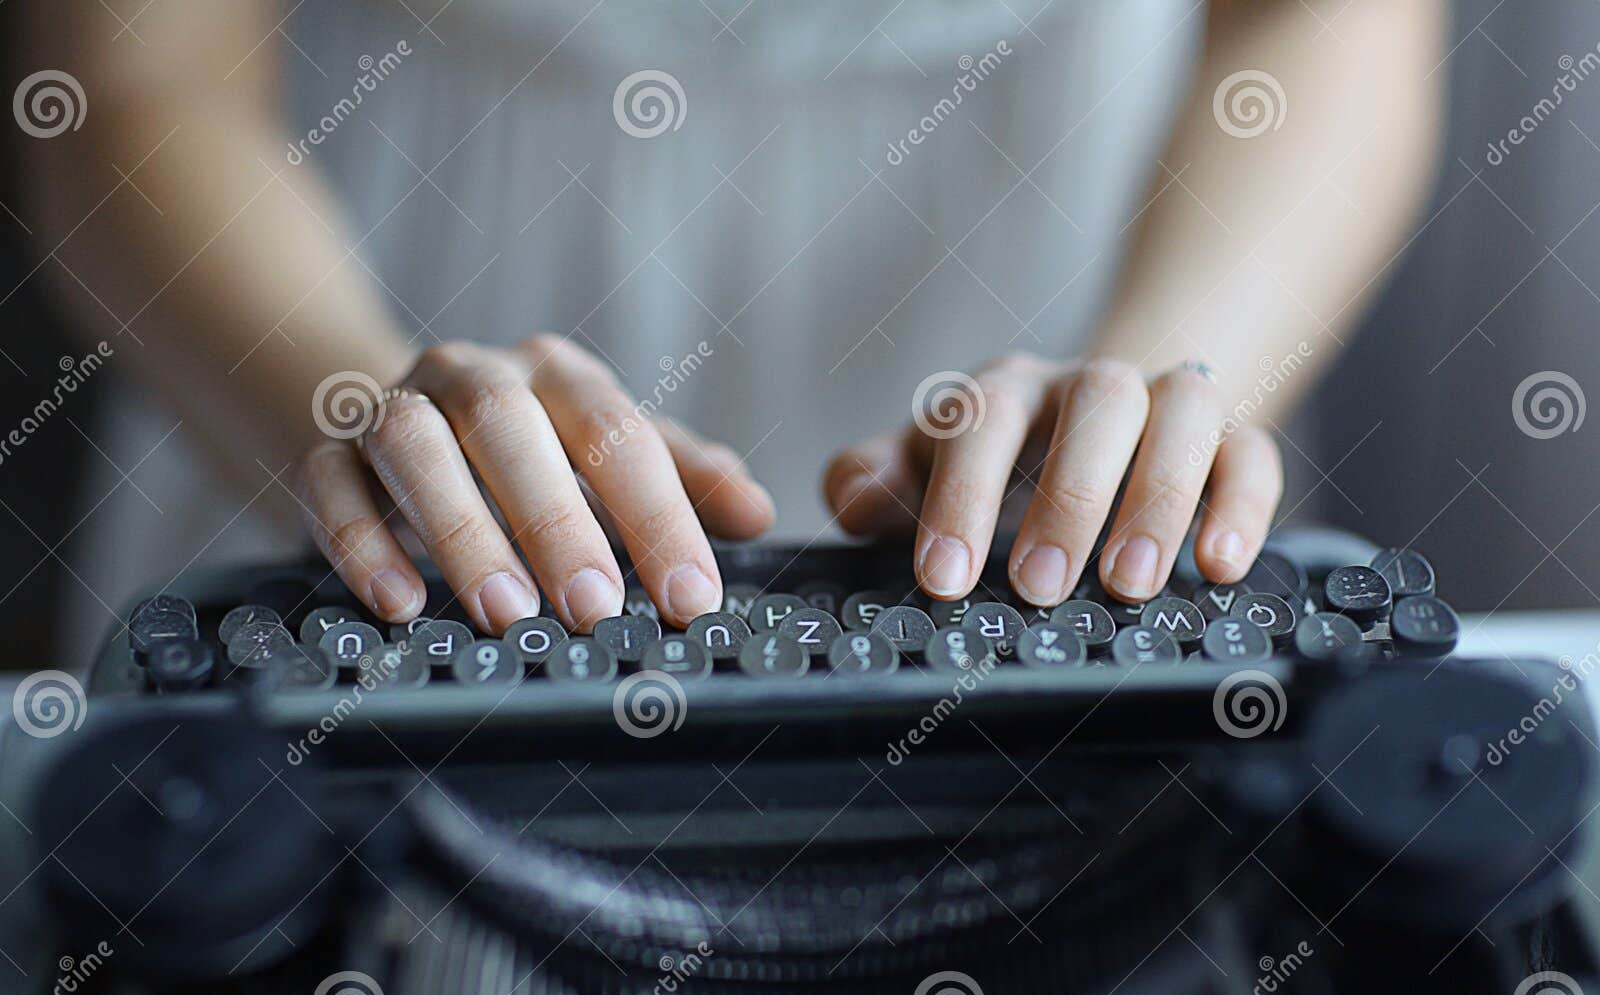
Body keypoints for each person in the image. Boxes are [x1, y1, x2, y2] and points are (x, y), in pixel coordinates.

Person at [21, 0, 1444, 641]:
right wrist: (350, 402)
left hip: (1086, 247)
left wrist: (1156, 387)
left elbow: (1324, 20)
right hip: (326, 306)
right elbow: (143, 81)